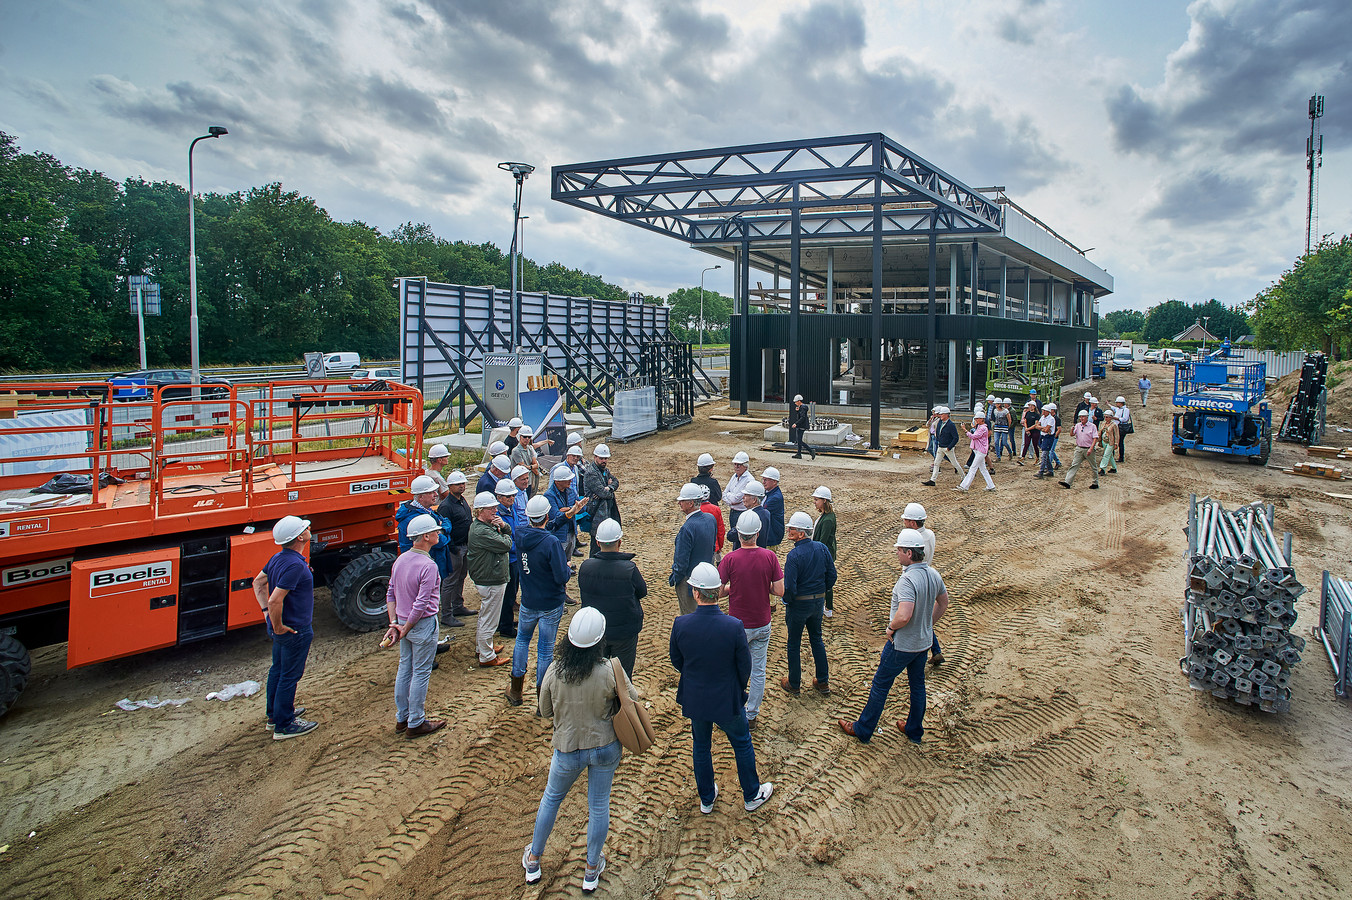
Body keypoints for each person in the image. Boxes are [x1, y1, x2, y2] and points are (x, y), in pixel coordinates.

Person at [522, 607, 635, 894]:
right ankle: (591, 868)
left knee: (551, 799)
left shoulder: (555, 670)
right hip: (606, 746)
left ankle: (534, 860)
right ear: (600, 640)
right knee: (598, 805)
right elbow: (633, 699)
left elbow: (545, 711)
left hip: (568, 748)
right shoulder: (610, 669)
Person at [669, 562, 774, 814]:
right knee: (741, 742)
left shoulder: (681, 624)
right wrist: (735, 688)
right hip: (727, 698)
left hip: (696, 698)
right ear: (717, 591)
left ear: (695, 592)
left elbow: (677, 661)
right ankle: (751, 794)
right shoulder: (733, 626)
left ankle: (706, 798)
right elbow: (744, 666)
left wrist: (695, 678)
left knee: (701, 746)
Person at [839, 528, 948, 745]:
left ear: (909, 553)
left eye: (899, 550)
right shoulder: (933, 574)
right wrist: (928, 624)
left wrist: (891, 627)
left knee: (880, 684)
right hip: (923, 643)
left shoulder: (907, 581)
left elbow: (905, 614)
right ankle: (914, 730)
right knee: (917, 686)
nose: (896, 553)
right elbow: (943, 603)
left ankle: (863, 729)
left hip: (902, 644)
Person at [252, 515, 318, 740]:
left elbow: (258, 583)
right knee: (290, 675)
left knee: (278, 670)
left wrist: (267, 617)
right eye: (305, 528)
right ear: (300, 537)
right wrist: (278, 625)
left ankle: (275, 715)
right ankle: (285, 724)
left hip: (284, 627)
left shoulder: (278, 558)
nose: (308, 528)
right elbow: (274, 599)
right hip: (295, 628)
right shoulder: (294, 565)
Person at [383, 513, 447, 737]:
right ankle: (416, 722)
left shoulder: (401, 559)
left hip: (402, 622)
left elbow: (391, 592)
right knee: (420, 672)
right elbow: (421, 603)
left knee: (405, 668)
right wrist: (406, 626)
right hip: (420, 624)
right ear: (426, 536)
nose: (439, 534)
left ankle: (402, 718)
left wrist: (395, 624)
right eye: (435, 532)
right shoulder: (428, 566)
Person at [717, 513, 782, 728]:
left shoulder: (730, 559)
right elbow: (780, 590)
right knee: (758, 670)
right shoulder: (769, 557)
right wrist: (765, 587)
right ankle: (751, 714)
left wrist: (731, 588)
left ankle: (730, 709)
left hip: (737, 625)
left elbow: (717, 593)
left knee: (731, 668)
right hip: (762, 622)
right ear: (758, 532)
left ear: (739, 534)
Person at [509, 494, 572, 705]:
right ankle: (542, 699)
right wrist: (567, 568)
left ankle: (516, 689)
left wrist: (564, 517)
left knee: (522, 641)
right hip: (550, 602)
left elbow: (543, 531)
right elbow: (561, 576)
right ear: (546, 515)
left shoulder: (520, 535)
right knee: (545, 649)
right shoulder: (551, 543)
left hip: (529, 600)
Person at [578, 519, 647, 678]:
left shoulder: (586, 567)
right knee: (622, 677)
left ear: (597, 541)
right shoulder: (629, 569)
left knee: (596, 676)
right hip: (624, 632)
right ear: (619, 542)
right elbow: (642, 592)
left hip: (595, 631)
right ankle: (621, 703)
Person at [779, 511, 836, 696]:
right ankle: (822, 681)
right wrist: (821, 592)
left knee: (794, 643)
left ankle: (794, 683)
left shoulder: (794, 556)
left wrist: (787, 601)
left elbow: (790, 587)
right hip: (817, 603)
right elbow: (832, 575)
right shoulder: (821, 548)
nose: (788, 530)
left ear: (801, 533)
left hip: (799, 605)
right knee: (816, 639)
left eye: (792, 529)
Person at [396, 475, 461, 630]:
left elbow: (445, 522)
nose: (436, 495)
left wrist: (442, 528)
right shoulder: (414, 518)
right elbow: (441, 541)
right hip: (423, 567)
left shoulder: (426, 512)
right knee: (426, 603)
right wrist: (443, 531)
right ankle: (427, 635)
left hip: (433, 563)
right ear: (420, 496)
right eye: (431, 492)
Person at [466, 491, 511, 668]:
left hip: (488, 576)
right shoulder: (482, 531)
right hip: (491, 579)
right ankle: (486, 656)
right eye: (490, 508)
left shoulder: (483, 526)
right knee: (489, 619)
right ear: (479, 511)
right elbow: (506, 544)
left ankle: (483, 647)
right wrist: (506, 530)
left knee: (486, 615)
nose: (495, 510)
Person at [900, 502, 941, 666]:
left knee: (916, 619)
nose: (904, 523)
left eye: (906, 520)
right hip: (927, 576)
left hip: (913, 579)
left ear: (912, 523)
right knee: (924, 617)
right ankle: (936, 650)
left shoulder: (913, 540)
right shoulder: (930, 535)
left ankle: (925, 650)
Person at [436, 469, 477, 622]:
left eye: (463, 483)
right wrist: (452, 547)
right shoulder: (446, 506)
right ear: (450, 486)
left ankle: (458, 606)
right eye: (458, 484)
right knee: (450, 581)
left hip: (464, 545)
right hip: (454, 548)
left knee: (461, 577)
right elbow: (443, 529)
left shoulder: (462, 500)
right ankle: (446, 614)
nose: (461, 486)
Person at [671, 483, 717, 616]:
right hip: (708, 578)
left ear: (691, 503)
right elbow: (712, 548)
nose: (679, 503)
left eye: (682, 501)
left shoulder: (687, 528)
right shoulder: (710, 519)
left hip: (690, 582)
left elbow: (681, 562)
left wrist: (675, 578)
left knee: (690, 615)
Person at [495, 478, 523, 638]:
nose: (512, 499)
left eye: (513, 496)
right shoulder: (498, 516)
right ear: (499, 497)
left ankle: (505, 620)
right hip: (508, 559)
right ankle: (505, 626)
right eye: (508, 497)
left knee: (512, 593)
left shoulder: (510, 510)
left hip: (514, 557)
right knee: (507, 594)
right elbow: (504, 540)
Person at [582, 444, 620, 557]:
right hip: (597, 515)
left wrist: (609, 487)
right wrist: (607, 491)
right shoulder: (591, 473)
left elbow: (616, 482)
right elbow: (604, 493)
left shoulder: (604, 470)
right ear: (595, 457)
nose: (604, 460)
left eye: (605, 458)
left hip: (607, 511)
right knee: (596, 546)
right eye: (601, 458)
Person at [543, 463, 587, 560]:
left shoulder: (570, 490)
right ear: (558, 481)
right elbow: (555, 515)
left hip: (571, 531)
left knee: (568, 557)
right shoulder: (549, 495)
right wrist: (573, 509)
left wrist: (569, 509)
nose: (571, 481)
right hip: (559, 534)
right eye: (567, 479)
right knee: (558, 559)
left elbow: (581, 509)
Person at [1060, 409, 1102, 490]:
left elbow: (1095, 438)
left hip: (1088, 448)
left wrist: (1091, 448)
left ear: (1087, 417)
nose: (1081, 418)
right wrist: (1072, 430)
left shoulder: (1092, 426)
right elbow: (1072, 434)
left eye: (1083, 417)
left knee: (1093, 466)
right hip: (1079, 448)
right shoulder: (1078, 425)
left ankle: (1095, 482)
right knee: (1074, 465)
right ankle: (1068, 482)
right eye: (1080, 417)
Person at [921, 407, 964, 487]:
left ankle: (963, 477)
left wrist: (949, 447)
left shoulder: (951, 425)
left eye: (942, 414)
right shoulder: (940, 422)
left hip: (947, 447)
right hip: (941, 446)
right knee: (936, 463)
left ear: (946, 415)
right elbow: (938, 432)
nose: (940, 415)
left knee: (955, 463)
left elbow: (956, 437)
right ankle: (932, 480)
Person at [812, 486, 837, 619]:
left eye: (817, 499)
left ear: (825, 501)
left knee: (826, 580)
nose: (814, 502)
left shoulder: (827, 520)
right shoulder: (826, 516)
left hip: (825, 554)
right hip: (826, 553)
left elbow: (822, 541)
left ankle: (828, 608)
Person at [956, 411, 995, 492]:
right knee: (983, 469)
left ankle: (964, 486)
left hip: (980, 451)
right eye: (976, 418)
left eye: (977, 418)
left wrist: (965, 430)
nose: (976, 420)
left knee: (973, 468)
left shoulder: (983, 428)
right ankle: (991, 485)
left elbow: (974, 436)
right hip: (979, 450)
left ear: (982, 419)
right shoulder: (980, 427)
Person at [728, 481, 771, 549]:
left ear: (754, 500)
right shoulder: (766, 513)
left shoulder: (748, 516)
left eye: (746, 495)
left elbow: (731, 536)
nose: (743, 497)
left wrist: (735, 528)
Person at [723, 451, 753, 530]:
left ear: (745, 466)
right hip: (733, 512)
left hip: (742, 513)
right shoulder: (734, 476)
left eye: (739, 465)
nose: (736, 467)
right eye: (735, 464)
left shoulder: (749, 480)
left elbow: (735, 499)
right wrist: (731, 498)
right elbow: (724, 494)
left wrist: (729, 496)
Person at [511, 425, 543, 495]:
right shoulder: (516, 450)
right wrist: (532, 467)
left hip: (529, 480)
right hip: (520, 482)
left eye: (529, 437)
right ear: (520, 437)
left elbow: (536, 465)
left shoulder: (529, 448)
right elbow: (522, 467)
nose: (527, 439)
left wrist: (530, 467)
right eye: (525, 437)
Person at [699, 484, 726, 563]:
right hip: (713, 545)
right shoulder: (716, 509)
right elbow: (720, 530)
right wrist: (720, 546)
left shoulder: (693, 510)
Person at [760, 467, 785, 548]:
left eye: (766, 480)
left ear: (774, 482)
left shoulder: (775, 498)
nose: (763, 482)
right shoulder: (768, 492)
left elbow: (762, 511)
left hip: (771, 537)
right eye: (763, 480)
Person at [788, 394, 817, 459]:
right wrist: (798, 411)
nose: (795, 403)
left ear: (799, 401)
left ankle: (810, 451)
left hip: (801, 425)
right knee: (799, 440)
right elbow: (802, 416)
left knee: (799, 441)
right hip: (802, 425)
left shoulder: (803, 407)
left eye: (795, 402)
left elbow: (802, 417)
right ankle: (799, 454)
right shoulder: (802, 407)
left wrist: (796, 423)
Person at [1035, 404, 1058, 478]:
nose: (1043, 412)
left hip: (1048, 438)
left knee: (1044, 455)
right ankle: (1050, 470)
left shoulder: (1051, 419)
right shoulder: (1043, 417)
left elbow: (1046, 429)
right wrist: (1043, 428)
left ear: (1048, 412)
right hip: (1043, 436)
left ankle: (1041, 471)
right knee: (1046, 455)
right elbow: (1038, 426)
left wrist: (1042, 428)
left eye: (1044, 411)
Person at [1098, 408, 1121, 476]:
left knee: (1106, 455)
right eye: (1105, 417)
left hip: (1111, 442)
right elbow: (1100, 432)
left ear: (1111, 417)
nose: (1106, 418)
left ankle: (1102, 468)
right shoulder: (1103, 423)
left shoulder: (1114, 425)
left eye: (1107, 417)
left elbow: (1116, 435)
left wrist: (1116, 443)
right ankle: (1114, 468)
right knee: (1109, 455)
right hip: (1104, 441)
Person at [1018, 400, 1040, 466]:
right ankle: (1023, 457)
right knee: (1026, 443)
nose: (1030, 407)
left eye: (1031, 406)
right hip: (1028, 430)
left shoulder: (1037, 415)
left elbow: (1036, 424)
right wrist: (1026, 429)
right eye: (1029, 405)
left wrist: (1028, 429)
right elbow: (1025, 421)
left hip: (1035, 431)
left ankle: (1037, 457)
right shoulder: (1027, 413)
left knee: (1035, 445)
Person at [990, 399, 1012, 463]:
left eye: (996, 404)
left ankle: (1010, 452)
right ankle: (998, 456)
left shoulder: (1005, 411)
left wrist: (1008, 427)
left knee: (1004, 442)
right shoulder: (995, 411)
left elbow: (1009, 419)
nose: (995, 405)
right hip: (997, 427)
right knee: (996, 442)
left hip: (1004, 427)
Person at [1112, 396, 1133, 461]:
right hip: (1117, 426)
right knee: (1113, 440)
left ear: (1120, 403)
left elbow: (1125, 419)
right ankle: (1113, 456)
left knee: (1120, 442)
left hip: (1121, 427)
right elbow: (1113, 408)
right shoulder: (1118, 409)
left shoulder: (1126, 410)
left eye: (1117, 402)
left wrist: (1117, 418)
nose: (1116, 404)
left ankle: (1121, 457)